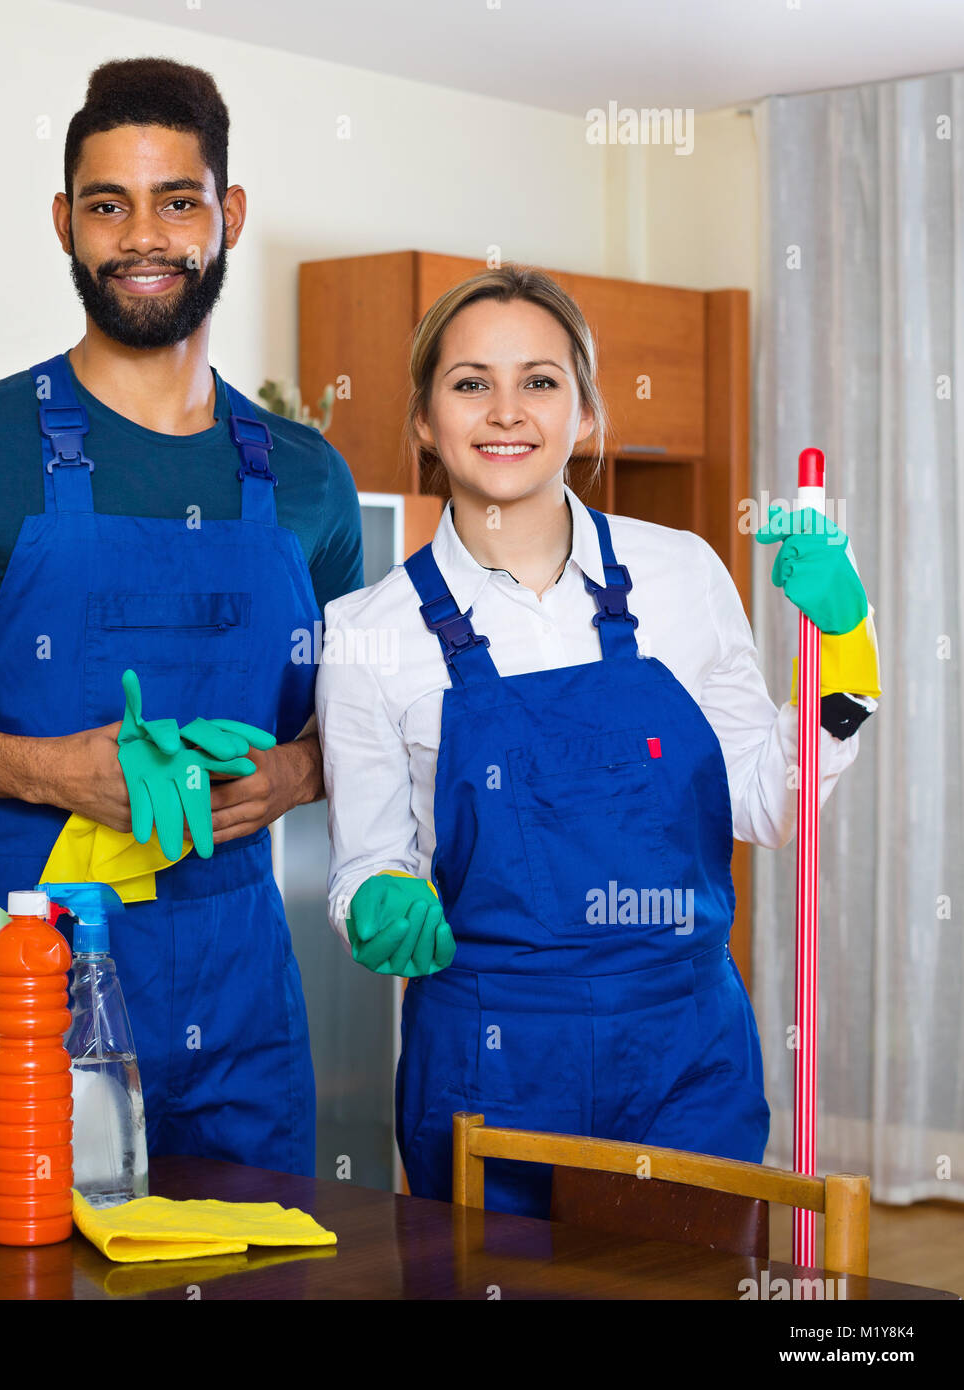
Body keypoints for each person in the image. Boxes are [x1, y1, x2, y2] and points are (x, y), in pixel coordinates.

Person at [0, 58, 363, 1177]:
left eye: (176, 200)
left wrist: (297, 775)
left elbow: (372, 719)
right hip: (37, 982)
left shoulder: (308, 477)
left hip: (242, 989)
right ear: (65, 222)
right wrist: (50, 771)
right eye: (107, 204)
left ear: (227, 215)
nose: (141, 236)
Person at [315, 264, 880, 1216]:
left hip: (682, 1057)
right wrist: (372, 904)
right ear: (424, 419)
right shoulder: (367, 630)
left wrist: (845, 657)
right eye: (469, 383)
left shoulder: (682, 574)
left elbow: (769, 803)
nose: (506, 411)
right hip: (489, 1072)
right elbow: (367, 862)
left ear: (583, 412)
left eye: (540, 380)